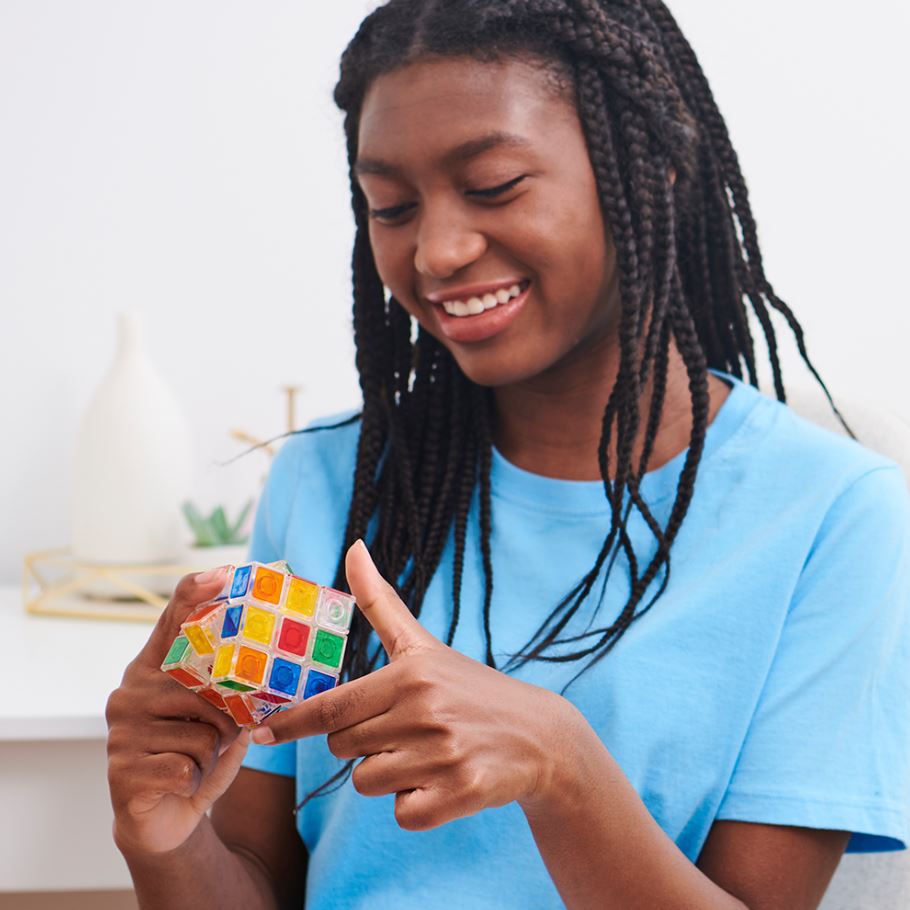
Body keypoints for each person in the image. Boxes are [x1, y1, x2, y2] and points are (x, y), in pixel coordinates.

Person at [105, 1, 910, 907]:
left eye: (493, 185)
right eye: (391, 207)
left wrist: (559, 766)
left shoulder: (836, 515)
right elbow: (254, 881)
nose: (438, 251)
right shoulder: (328, 480)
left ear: (655, 171)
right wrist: (163, 838)